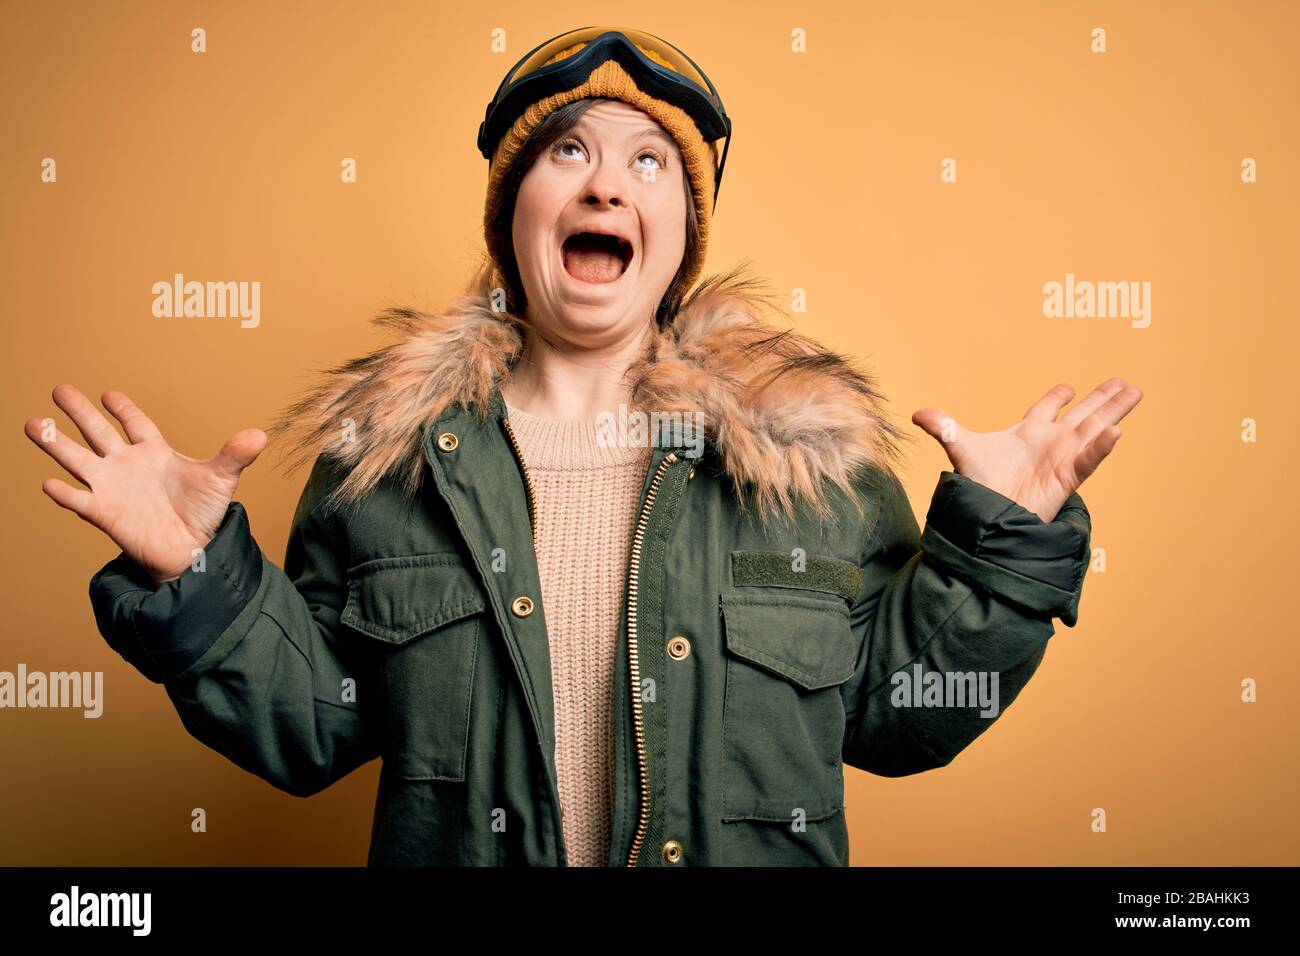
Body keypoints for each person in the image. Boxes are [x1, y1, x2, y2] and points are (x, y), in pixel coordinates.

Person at [23, 26, 1141, 866]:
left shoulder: (808, 462)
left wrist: (999, 552)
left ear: (682, 238)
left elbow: (897, 716)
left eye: (649, 160)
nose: (606, 180)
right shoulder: (386, 463)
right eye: (566, 150)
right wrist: (201, 576)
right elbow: (319, 730)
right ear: (514, 211)